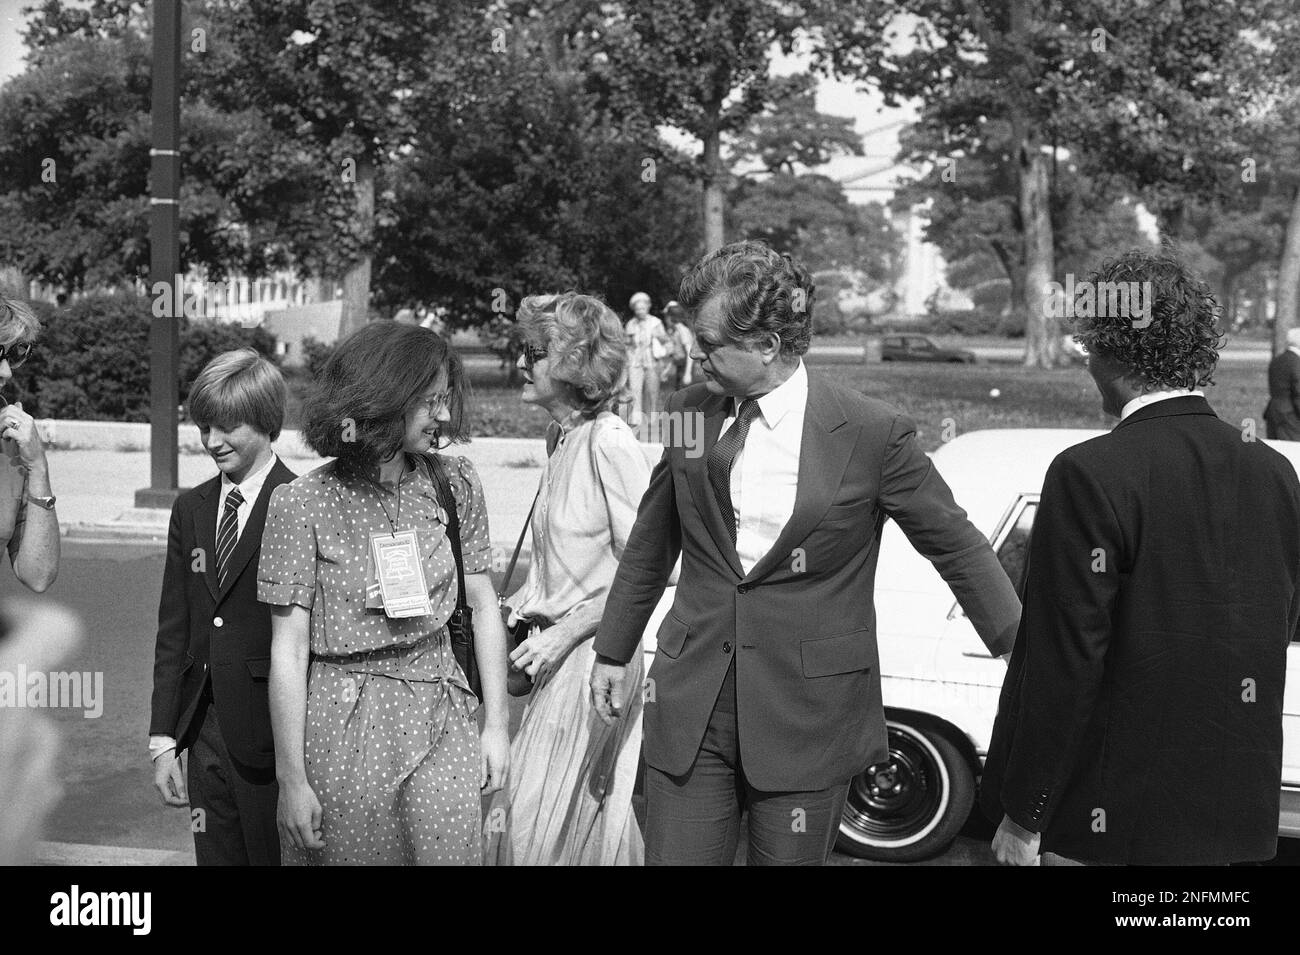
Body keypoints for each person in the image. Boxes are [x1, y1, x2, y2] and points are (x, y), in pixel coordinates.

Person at [588, 240, 1021, 866]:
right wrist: (614, 647)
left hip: (810, 716)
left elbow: (954, 545)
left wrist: (1018, 647)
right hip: (691, 701)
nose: (695, 355)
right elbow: (654, 538)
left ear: (766, 344)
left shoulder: (872, 431)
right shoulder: (688, 412)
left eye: (709, 343)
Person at [982, 251, 1300, 867]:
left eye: (1090, 347)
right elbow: (1281, 620)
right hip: (1230, 807)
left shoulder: (1089, 472)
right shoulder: (1274, 470)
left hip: (1103, 818)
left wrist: (1024, 812)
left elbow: (1065, 661)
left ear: (1114, 352)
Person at [258, 321, 509, 865]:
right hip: (342, 722)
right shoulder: (300, 504)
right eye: (429, 402)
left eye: (445, 399)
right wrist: (291, 779)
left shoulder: (455, 484)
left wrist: (496, 725)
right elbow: (288, 648)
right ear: (381, 400)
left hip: (444, 706)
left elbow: (484, 604)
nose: (443, 416)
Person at [482, 293, 650, 866]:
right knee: (550, 825)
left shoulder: (610, 441)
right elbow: (563, 558)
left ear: (577, 363)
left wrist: (565, 629)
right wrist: (522, 608)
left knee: (541, 823)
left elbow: (653, 568)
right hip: (553, 658)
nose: (522, 362)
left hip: (596, 658)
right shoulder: (560, 438)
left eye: (536, 351)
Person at [149, 349, 295, 865]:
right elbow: (175, 628)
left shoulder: (300, 501)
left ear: (266, 420)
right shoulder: (191, 507)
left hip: (278, 739)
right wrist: (164, 739)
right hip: (204, 733)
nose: (212, 442)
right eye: (204, 426)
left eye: (227, 426)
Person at [0, 296, 58, 593]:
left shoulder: (10, 442)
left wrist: (37, 467)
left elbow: (38, 575)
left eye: (11, 356)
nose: (6, 372)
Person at [624, 291, 670, 432]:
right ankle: (636, 421)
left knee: (652, 391)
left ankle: (653, 419)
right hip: (635, 362)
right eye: (637, 309)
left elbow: (666, 341)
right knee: (635, 390)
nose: (640, 312)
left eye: (642, 308)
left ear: (648, 307)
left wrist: (660, 338)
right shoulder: (631, 324)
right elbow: (627, 344)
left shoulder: (656, 322)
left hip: (652, 361)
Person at [1264, 327, 1300, 440]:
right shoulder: (1296, 363)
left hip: (1273, 411)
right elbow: (1298, 393)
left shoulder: (1277, 360)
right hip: (1290, 415)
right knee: (1293, 452)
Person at [661, 300, 695, 392]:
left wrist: (688, 373)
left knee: (683, 394)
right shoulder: (675, 331)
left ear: (672, 318)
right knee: (678, 392)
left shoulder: (682, 331)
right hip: (680, 365)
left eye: (666, 317)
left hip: (686, 366)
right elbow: (676, 354)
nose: (665, 320)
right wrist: (667, 371)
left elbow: (690, 352)